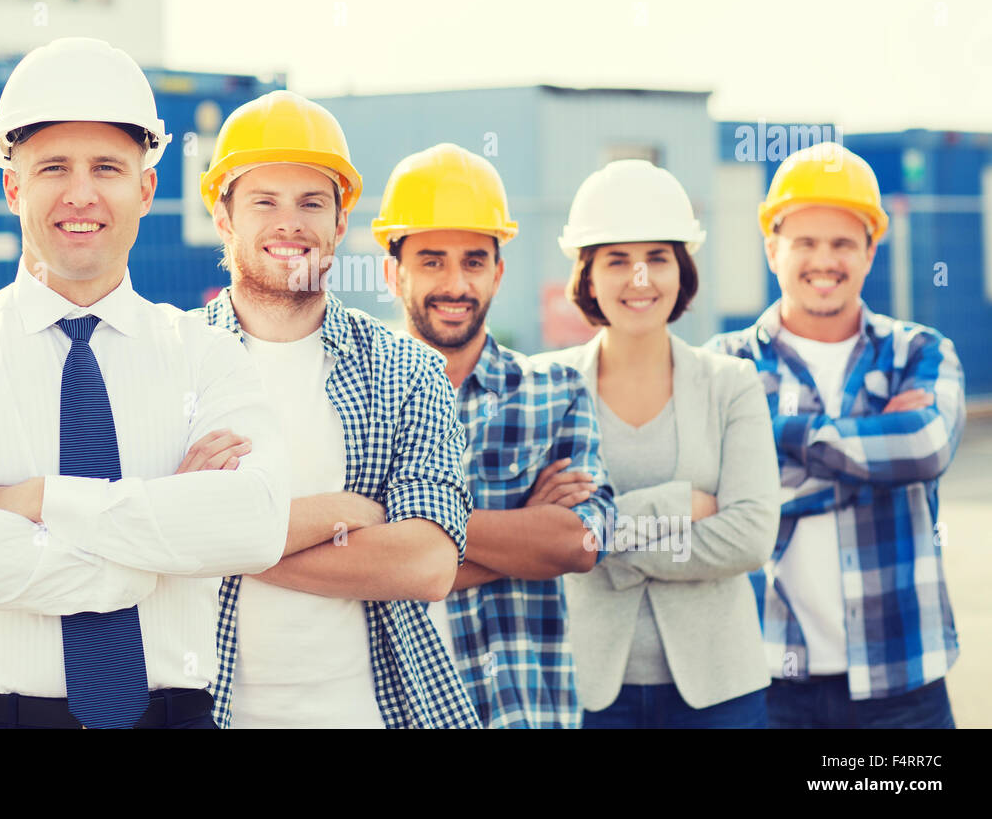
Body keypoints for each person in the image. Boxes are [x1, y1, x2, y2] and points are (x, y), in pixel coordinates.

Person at [0, 37, 290, 730]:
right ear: (13, 187)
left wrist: (38, 501)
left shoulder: (209, 357)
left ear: (146, 188)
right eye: (53, 167)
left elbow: (253, 523)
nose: (81, 193)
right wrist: (143, 554)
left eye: (107, 167)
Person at [195, 90, 480, 729]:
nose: (289, 224)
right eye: (264, 201)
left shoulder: (409, 371)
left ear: (340, 222)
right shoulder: (170, 364)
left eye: (311, 203)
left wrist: (221, 537)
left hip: (372, 714)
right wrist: (338, 515)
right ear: (224, 216)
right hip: (205, 714)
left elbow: (429, 563)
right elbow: (144, 539)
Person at [707, 142, 966, 728]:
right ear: (772, 248)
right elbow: (712, 503)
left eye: (843, 243)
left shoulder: (918, 351)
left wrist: (770, 442)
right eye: (805, 242)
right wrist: (872, 455)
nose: (825, 260)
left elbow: (924, 447)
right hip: (767, 681)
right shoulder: (723, 366)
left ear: (871, 251)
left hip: (904, 682)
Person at [375, 143, 616, 729]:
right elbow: (342, 563)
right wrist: (521, 535)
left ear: (499, 272)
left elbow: (578, 546)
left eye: (474, 262)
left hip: (520, 712)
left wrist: (404, 534)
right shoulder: (357, 399)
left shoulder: (554, 391)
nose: (455, 284)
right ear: (393, 272)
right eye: (432, 260)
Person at [536, 159, 780, 728]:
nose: (639, 278)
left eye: (657, 258)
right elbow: (539, 541)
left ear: (681, 271)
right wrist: (677, 509)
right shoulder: (545, 387)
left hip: (720, 694)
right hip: (589, 691)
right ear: (588, 276)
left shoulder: (731, 384)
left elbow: (749, 537)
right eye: (617, 260)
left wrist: (596, 538)